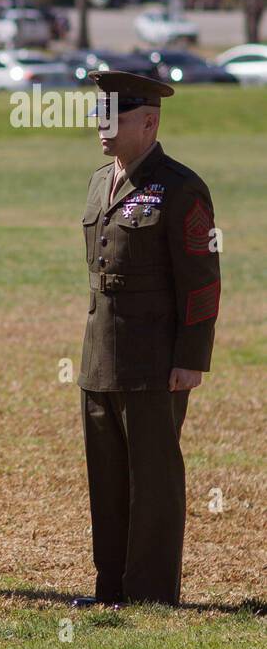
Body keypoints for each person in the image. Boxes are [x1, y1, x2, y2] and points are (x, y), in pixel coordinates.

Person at [74, 69, 220, 608]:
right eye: (99, 114)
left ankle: (152, 594)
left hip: (156, 360)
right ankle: (110, 590)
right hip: (101, 357)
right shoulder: (97, 180)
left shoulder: (180, 187)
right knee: (107, 480)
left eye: (114, 116)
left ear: (149, 121)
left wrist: (191, 358)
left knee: (153, 481)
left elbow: (203, 279)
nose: (101, 125)